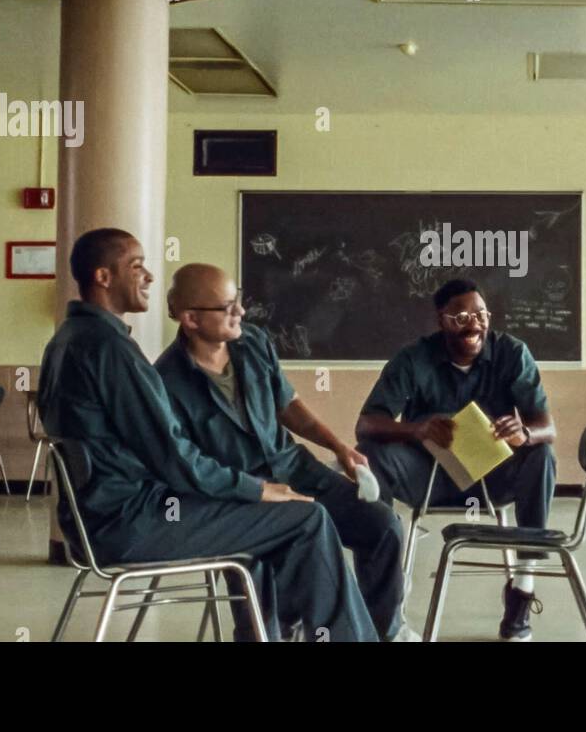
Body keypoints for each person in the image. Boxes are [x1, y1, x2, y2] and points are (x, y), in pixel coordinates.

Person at [38, 228, 377, 642]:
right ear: (103, 278)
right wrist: (256, 489)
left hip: (99, 519)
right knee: (306, 518)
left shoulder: (67, 340)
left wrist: (250, 490)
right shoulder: (111, 352)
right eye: (136, 267)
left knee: (280, 519)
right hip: (131, 522)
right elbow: (175, 457)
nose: (148, 277)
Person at [154, 263, 413, 641]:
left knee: (383, 525)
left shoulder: (254, 343)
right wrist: (255, 491)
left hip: (295, 470)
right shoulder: (166, 381)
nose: (240, 311)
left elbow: (288, 406)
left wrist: (338, 446)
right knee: (263, 574)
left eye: (238, 300)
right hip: (240, 495)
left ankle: (379, 631)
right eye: (227, 306)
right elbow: (188, 465)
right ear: (191, 318)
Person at [355, 278, 556, 641]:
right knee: (371, 456)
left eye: (481, 314)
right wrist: (415, 429)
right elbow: (366, 423)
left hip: (490, 477)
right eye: (461, 315)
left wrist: (523, 433)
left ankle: (521, 592)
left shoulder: (512, 352)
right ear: (441, 319)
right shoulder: (413, 358)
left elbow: (547, 426)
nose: (474, 323)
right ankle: (384, 605)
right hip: (427, 477)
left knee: (540, 454)